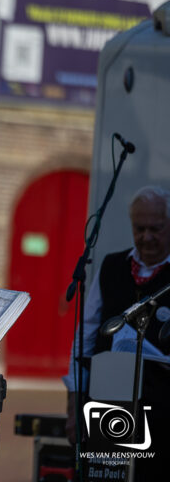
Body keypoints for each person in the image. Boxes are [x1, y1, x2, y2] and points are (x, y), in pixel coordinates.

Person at [63, 186, 170, 477]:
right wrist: (74, 405)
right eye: (139, 228)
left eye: (156, 229)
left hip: (161, 411)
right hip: (109, 405)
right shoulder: (111, 266)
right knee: (108, 473)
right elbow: (84, 339)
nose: (146, 237)